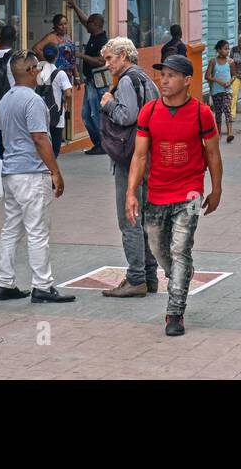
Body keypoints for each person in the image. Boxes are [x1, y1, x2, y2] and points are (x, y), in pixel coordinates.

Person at [125, 54, 223, 336]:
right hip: (157, 192)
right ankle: (180, 273)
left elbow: (213, 154)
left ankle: (175, 312)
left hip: (191, 192)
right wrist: (131, 192)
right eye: (162, 75)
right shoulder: (149, 112)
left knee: (181, 248)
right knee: (157, 247)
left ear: (187, 80)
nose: (164, 80)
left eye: (171, 75)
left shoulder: (201, 112)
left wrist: (216, 189)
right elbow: (140, 156)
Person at [0, 50, 74, 303]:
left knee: (11, 230)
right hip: (31, 172)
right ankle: (42, 285)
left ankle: (5, 283)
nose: (40, 72)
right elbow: (39, 138)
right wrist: (55, 171)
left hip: (11, 172)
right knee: (37, 230)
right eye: (37, 69)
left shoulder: (6, 99)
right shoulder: (33, 101)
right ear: (29, 71)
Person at [98, 37, 161, 297]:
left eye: (110, 58)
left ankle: (136, 277)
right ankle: (149, 274)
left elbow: (127, 116)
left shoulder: (126, 81)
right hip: (147, 154)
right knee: (145, 218)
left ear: (124, 55)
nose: (107, 64)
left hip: (130, 157)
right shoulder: (145, 79)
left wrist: (108, 104)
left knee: (130, 218)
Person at [65, 0, 109, 156]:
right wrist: (75, 6)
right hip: (90, 81)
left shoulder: (102, 41)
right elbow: (85, 20)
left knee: (95, 113)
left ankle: (102, 144)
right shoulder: (94, 33)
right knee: (86, 114)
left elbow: (100, 61)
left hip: (97, 82)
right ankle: (98, 143)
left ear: (96, 25)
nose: (86, 25)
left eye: (90, 23)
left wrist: (81, 56)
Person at [33, 13, 77, 83]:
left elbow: (72, 57)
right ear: (55, 26)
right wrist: (50, 64)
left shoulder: (68, 37)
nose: (63, 26)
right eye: (60, 25)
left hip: (67, 74)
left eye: (65, 24)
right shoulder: (51, 37)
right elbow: (36, 49)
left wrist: (76, 75)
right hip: (54, 74)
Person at [205, 39, 234, 142]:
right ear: (219, 50)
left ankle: (230, 132)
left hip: (227, 91)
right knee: (218, 112)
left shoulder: (230, 62)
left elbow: (234, 75)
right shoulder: (213, 62)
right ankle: (218, 133)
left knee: (227, 109)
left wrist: (230, 82)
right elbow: (207, 76)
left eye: (228, 49)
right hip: (216, 91)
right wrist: (218, 81)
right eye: (225, 49)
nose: (227, 51)